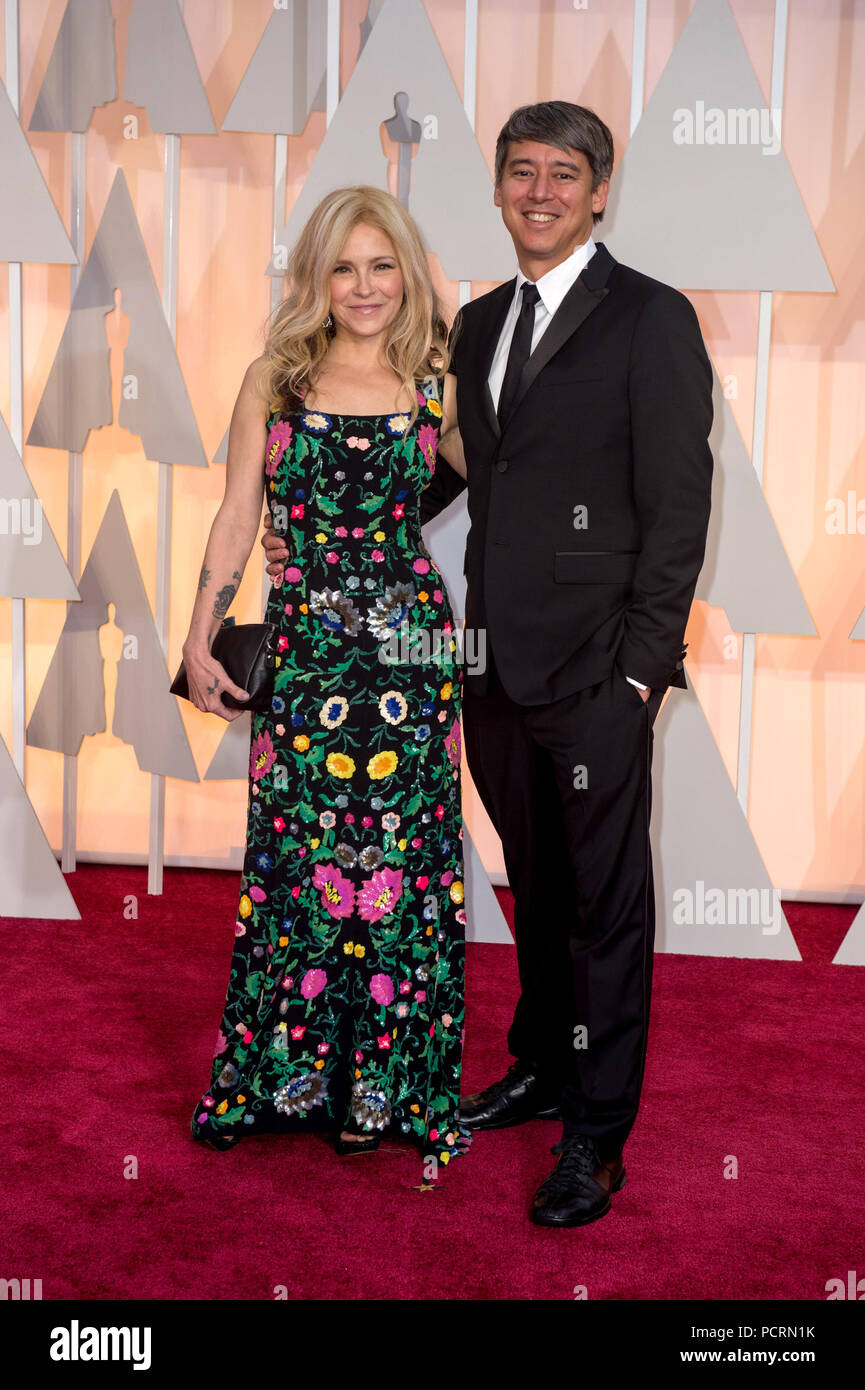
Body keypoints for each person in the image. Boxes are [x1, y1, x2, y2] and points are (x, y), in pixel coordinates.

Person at [263, 101, 713, 1225]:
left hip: (598, 673)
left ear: (598, 191)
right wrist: (321, 526)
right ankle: (544, 1066)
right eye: (521, 171)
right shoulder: (473, 323)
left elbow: (677, 507)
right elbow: (449, 474)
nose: (539, 191)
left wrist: (640, 672)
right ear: (501, 188)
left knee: (604, 905)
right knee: (540, 885)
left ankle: (595, 1139)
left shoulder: (649, 317)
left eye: (563, 173)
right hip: (489, 668)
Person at [185, 185, 471, 1168]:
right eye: (343, 267)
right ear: (316, 277)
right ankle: (289, 1081)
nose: (363, 286)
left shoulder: (436, 384)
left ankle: (381, 1094)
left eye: (382, 265)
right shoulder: (275, 377)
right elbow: (237, 513)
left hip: (408, 660)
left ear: (407, 273)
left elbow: (510, 485)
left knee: (399, 874)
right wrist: (199, 635)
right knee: (300, 868)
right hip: (306, 657)